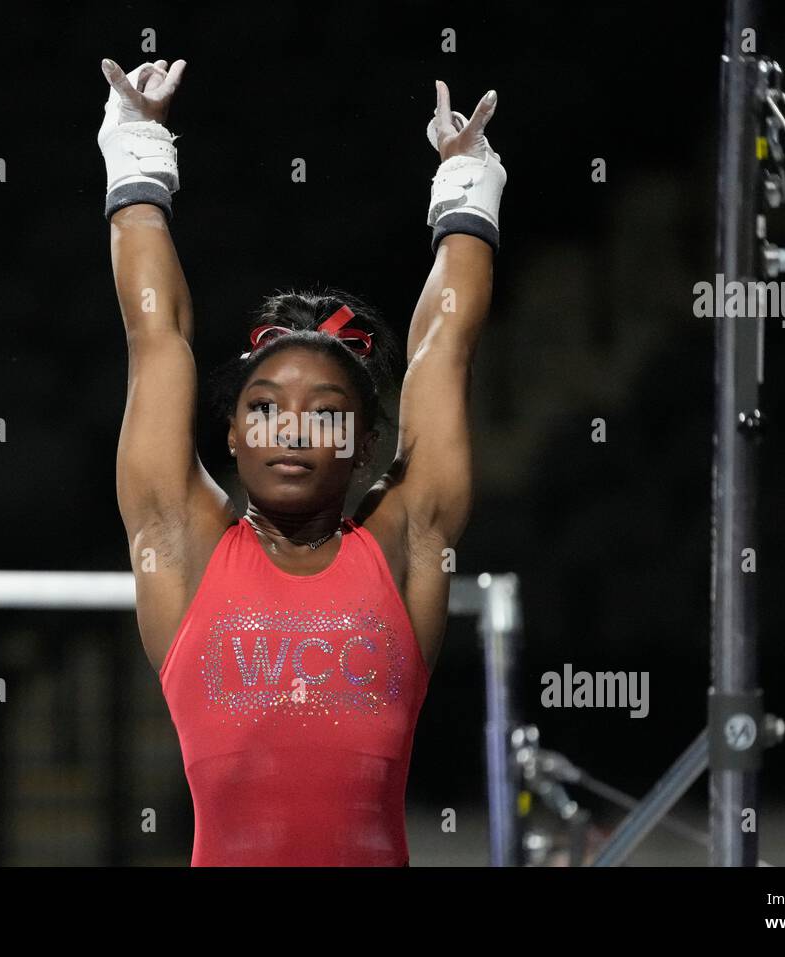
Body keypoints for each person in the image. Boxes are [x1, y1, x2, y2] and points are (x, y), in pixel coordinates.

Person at [99, 56, 506, 865]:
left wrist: (466, 192)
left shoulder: (406, 544)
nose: (291, 430)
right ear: (233, 436)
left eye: (324, 416)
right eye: (264, 408)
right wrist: (138, 153)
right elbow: (156, 336)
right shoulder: (181, 543)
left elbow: (442, 349)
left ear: (363, 446)